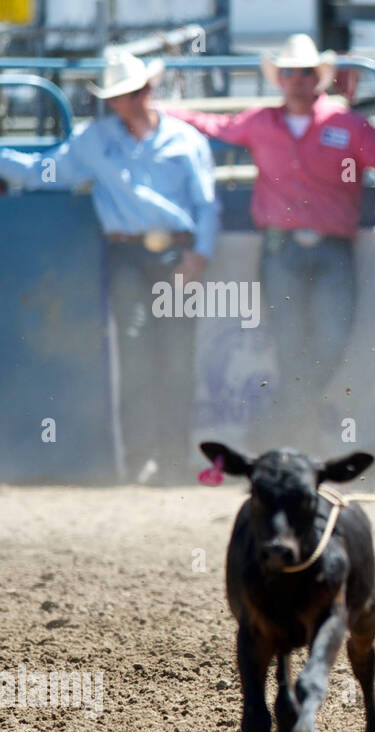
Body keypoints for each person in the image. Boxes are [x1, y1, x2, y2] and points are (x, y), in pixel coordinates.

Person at [162, 34, 375, 443]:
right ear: (280, 79)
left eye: (305, 72)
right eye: (290, 72)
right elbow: (211, 126)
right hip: (283, 247)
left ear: (317, 77)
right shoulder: (261, 123)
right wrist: (162, 111)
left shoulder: (346, 124)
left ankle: (276, 428)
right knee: (292, 345)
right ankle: (291, 432)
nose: (298, 80)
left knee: (329, 340)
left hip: (328, 247)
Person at [0, 49, 218, 484]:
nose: (129, 102)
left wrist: (197, 257)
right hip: (128, 256)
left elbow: (207, 205)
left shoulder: (185, 140)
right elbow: (48, 170)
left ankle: (173, 461)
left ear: (149, 91)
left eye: (135, 92)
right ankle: (139, 461)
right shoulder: (95, 141)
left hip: (177, 254)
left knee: (176, 360)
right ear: (112, 101)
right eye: (121, 95)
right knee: (135, 356)